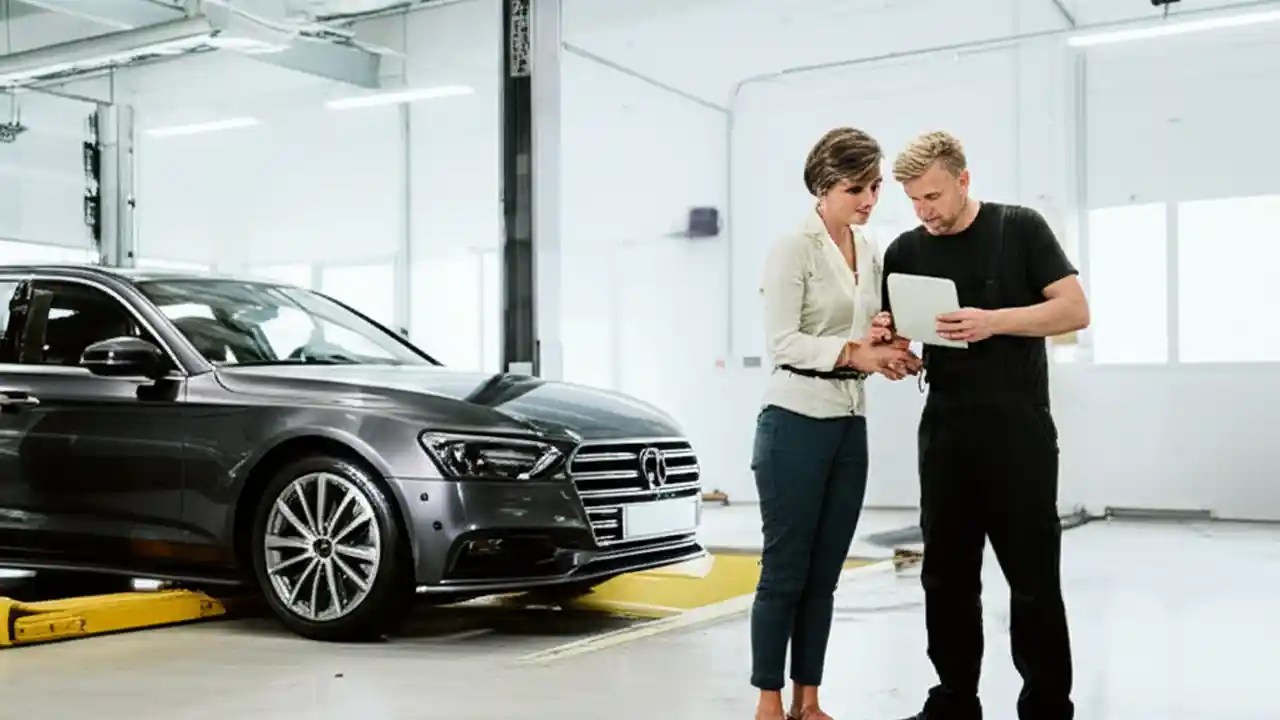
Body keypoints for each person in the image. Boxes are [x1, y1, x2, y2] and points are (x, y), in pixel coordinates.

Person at [878, 130, 1090, 720]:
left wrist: (992, 321)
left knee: (1032, 580)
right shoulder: (904, 251)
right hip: (945, 432)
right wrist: (891, 346)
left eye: (934, 196)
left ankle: (1047, 705)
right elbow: (897, 330)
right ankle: (953, 698)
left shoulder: (1019, 228)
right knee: (945, 577)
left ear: (964, 180)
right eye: (914, 199)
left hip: (1018, 433)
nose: (926, 212)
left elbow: (1074, 309)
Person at [751, 126, 919, 720]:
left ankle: (810, 700)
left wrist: (884, 341)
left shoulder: (869, 247)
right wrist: (854, 352)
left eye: (875, 186)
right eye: (857, 188)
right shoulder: (792, 247)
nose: (870, 199)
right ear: (824, 187)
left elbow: (867, 322)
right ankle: (770, 702)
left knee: (825, 573)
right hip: (794, 422)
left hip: (851, 423)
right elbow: (784, 340)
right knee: (785, 571)